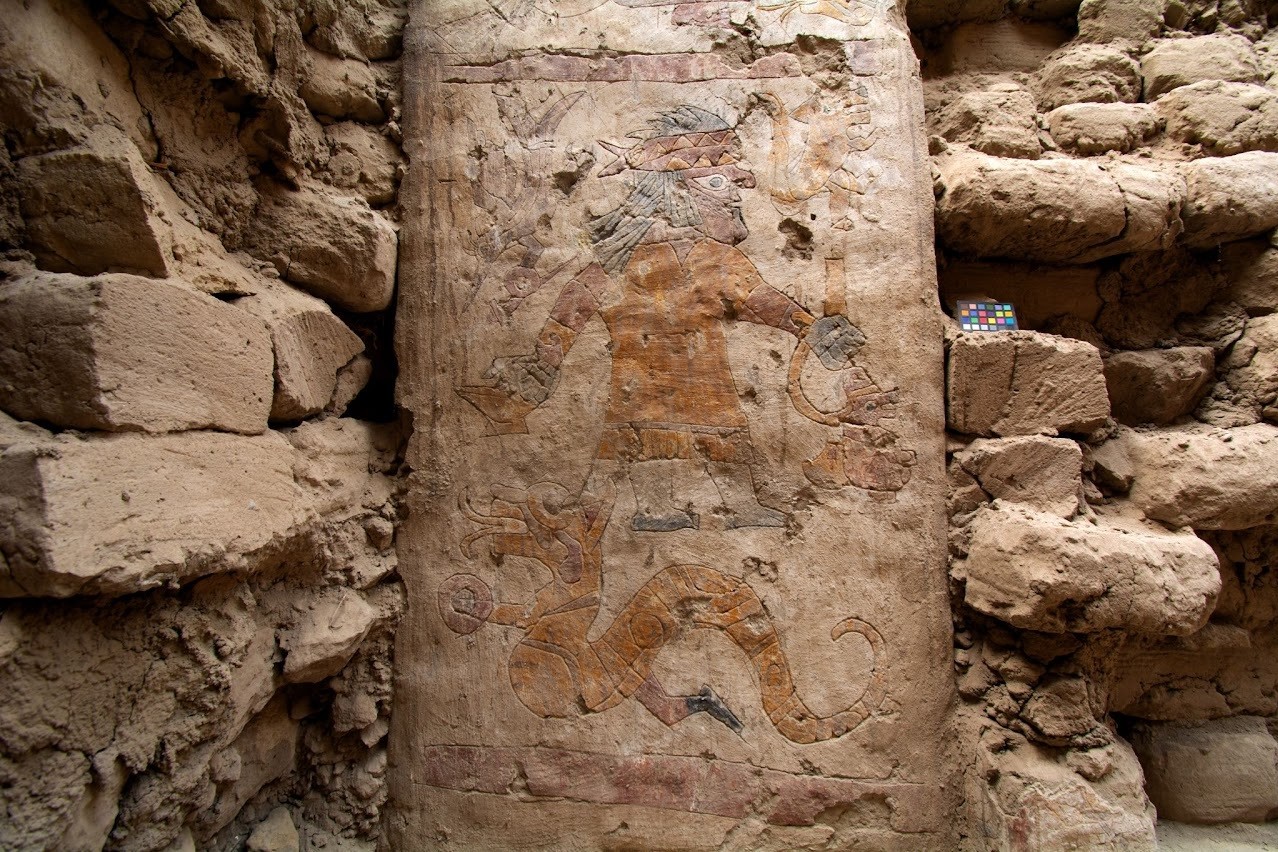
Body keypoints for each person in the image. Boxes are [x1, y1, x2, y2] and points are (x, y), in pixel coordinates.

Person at [483, 105, 863, 531]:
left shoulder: (708, 261)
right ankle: (654, 509)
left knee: (711, 439)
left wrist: (811, 328)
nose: (736, 195)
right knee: (645, 441)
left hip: (694, 386)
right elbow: (573, 308)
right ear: (679, 195)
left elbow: (761, 301)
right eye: (720, 184)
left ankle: (724, 505)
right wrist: (542, 362)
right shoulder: (643, 263)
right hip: (654, 388)